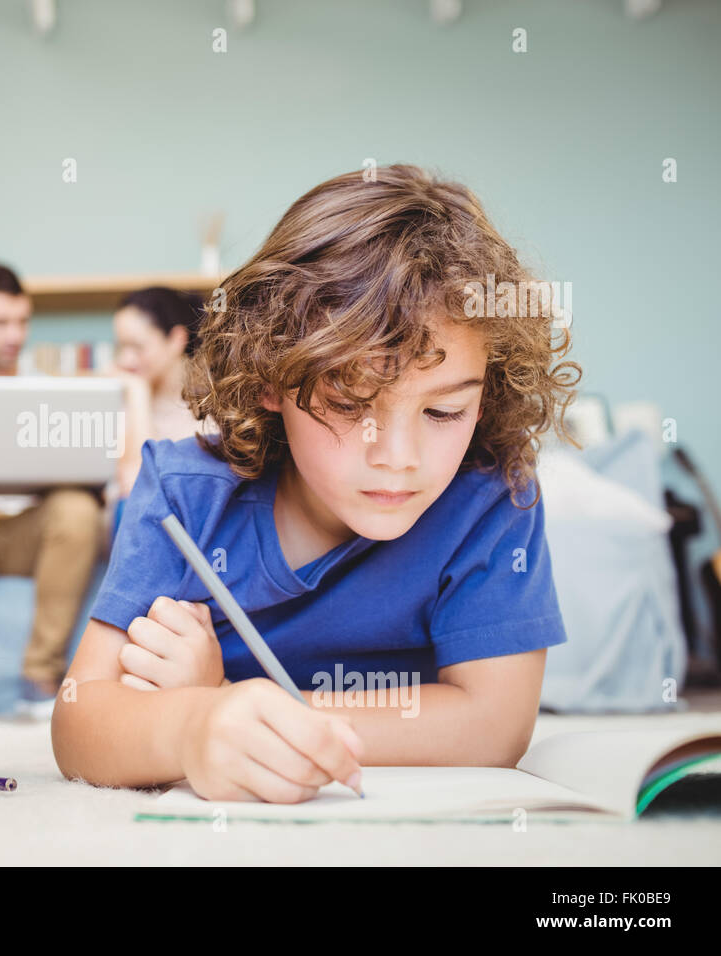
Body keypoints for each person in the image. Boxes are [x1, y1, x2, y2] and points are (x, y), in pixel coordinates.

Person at [52, 164, 582, 803]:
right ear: (272, 376)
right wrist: (194, 727)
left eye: (443, 411)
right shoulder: (183, 495)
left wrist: (229, 700)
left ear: (487, 390)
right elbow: (80, 718)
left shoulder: (492, 497)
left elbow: (493, 725)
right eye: (352, 404)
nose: (397, 457)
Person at [0, 263, 103, 714]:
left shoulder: (43, 390)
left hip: (20, 535)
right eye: (0, 322)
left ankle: (40, 676)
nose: (15, 335)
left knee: (76, 507)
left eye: (22, 322)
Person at [109, 286, 211, 539]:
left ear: (176, 339)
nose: (126, 360)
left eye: (137, 347)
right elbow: (132, 491)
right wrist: (138, 394)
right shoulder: (122, 404)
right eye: (121, 347)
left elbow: (146, 485)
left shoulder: (208, 415)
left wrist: (137, 392)